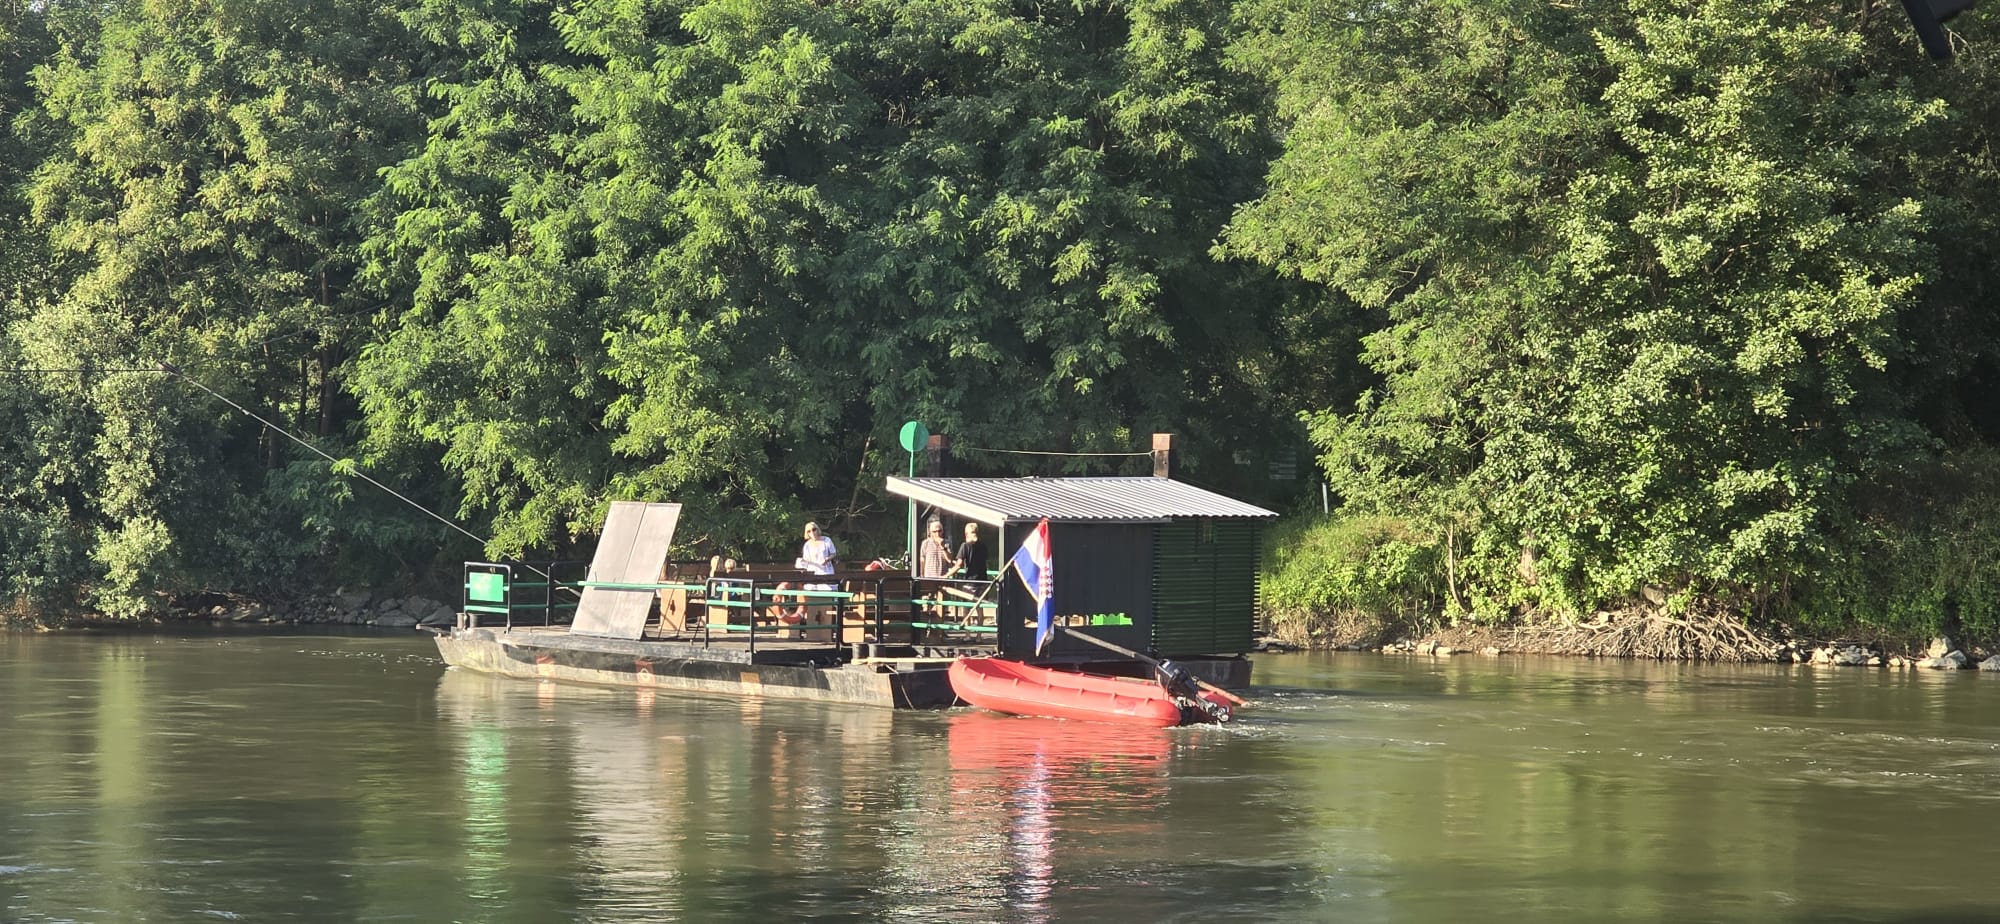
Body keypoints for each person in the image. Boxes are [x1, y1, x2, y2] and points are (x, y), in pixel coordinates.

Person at [791, 521, 838, 621]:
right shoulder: (807, 545)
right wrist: (801, 562)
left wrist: (827, 559)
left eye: (814, 529)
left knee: (827, 590)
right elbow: (806, 560)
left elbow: (834, 554)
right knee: (809, 590)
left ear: (817, 529)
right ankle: (810, 617)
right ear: (806, 533)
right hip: (812, 572)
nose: (812, 532)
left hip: (825, 571)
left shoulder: (827, 540)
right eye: (809, 531)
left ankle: (829, 616)